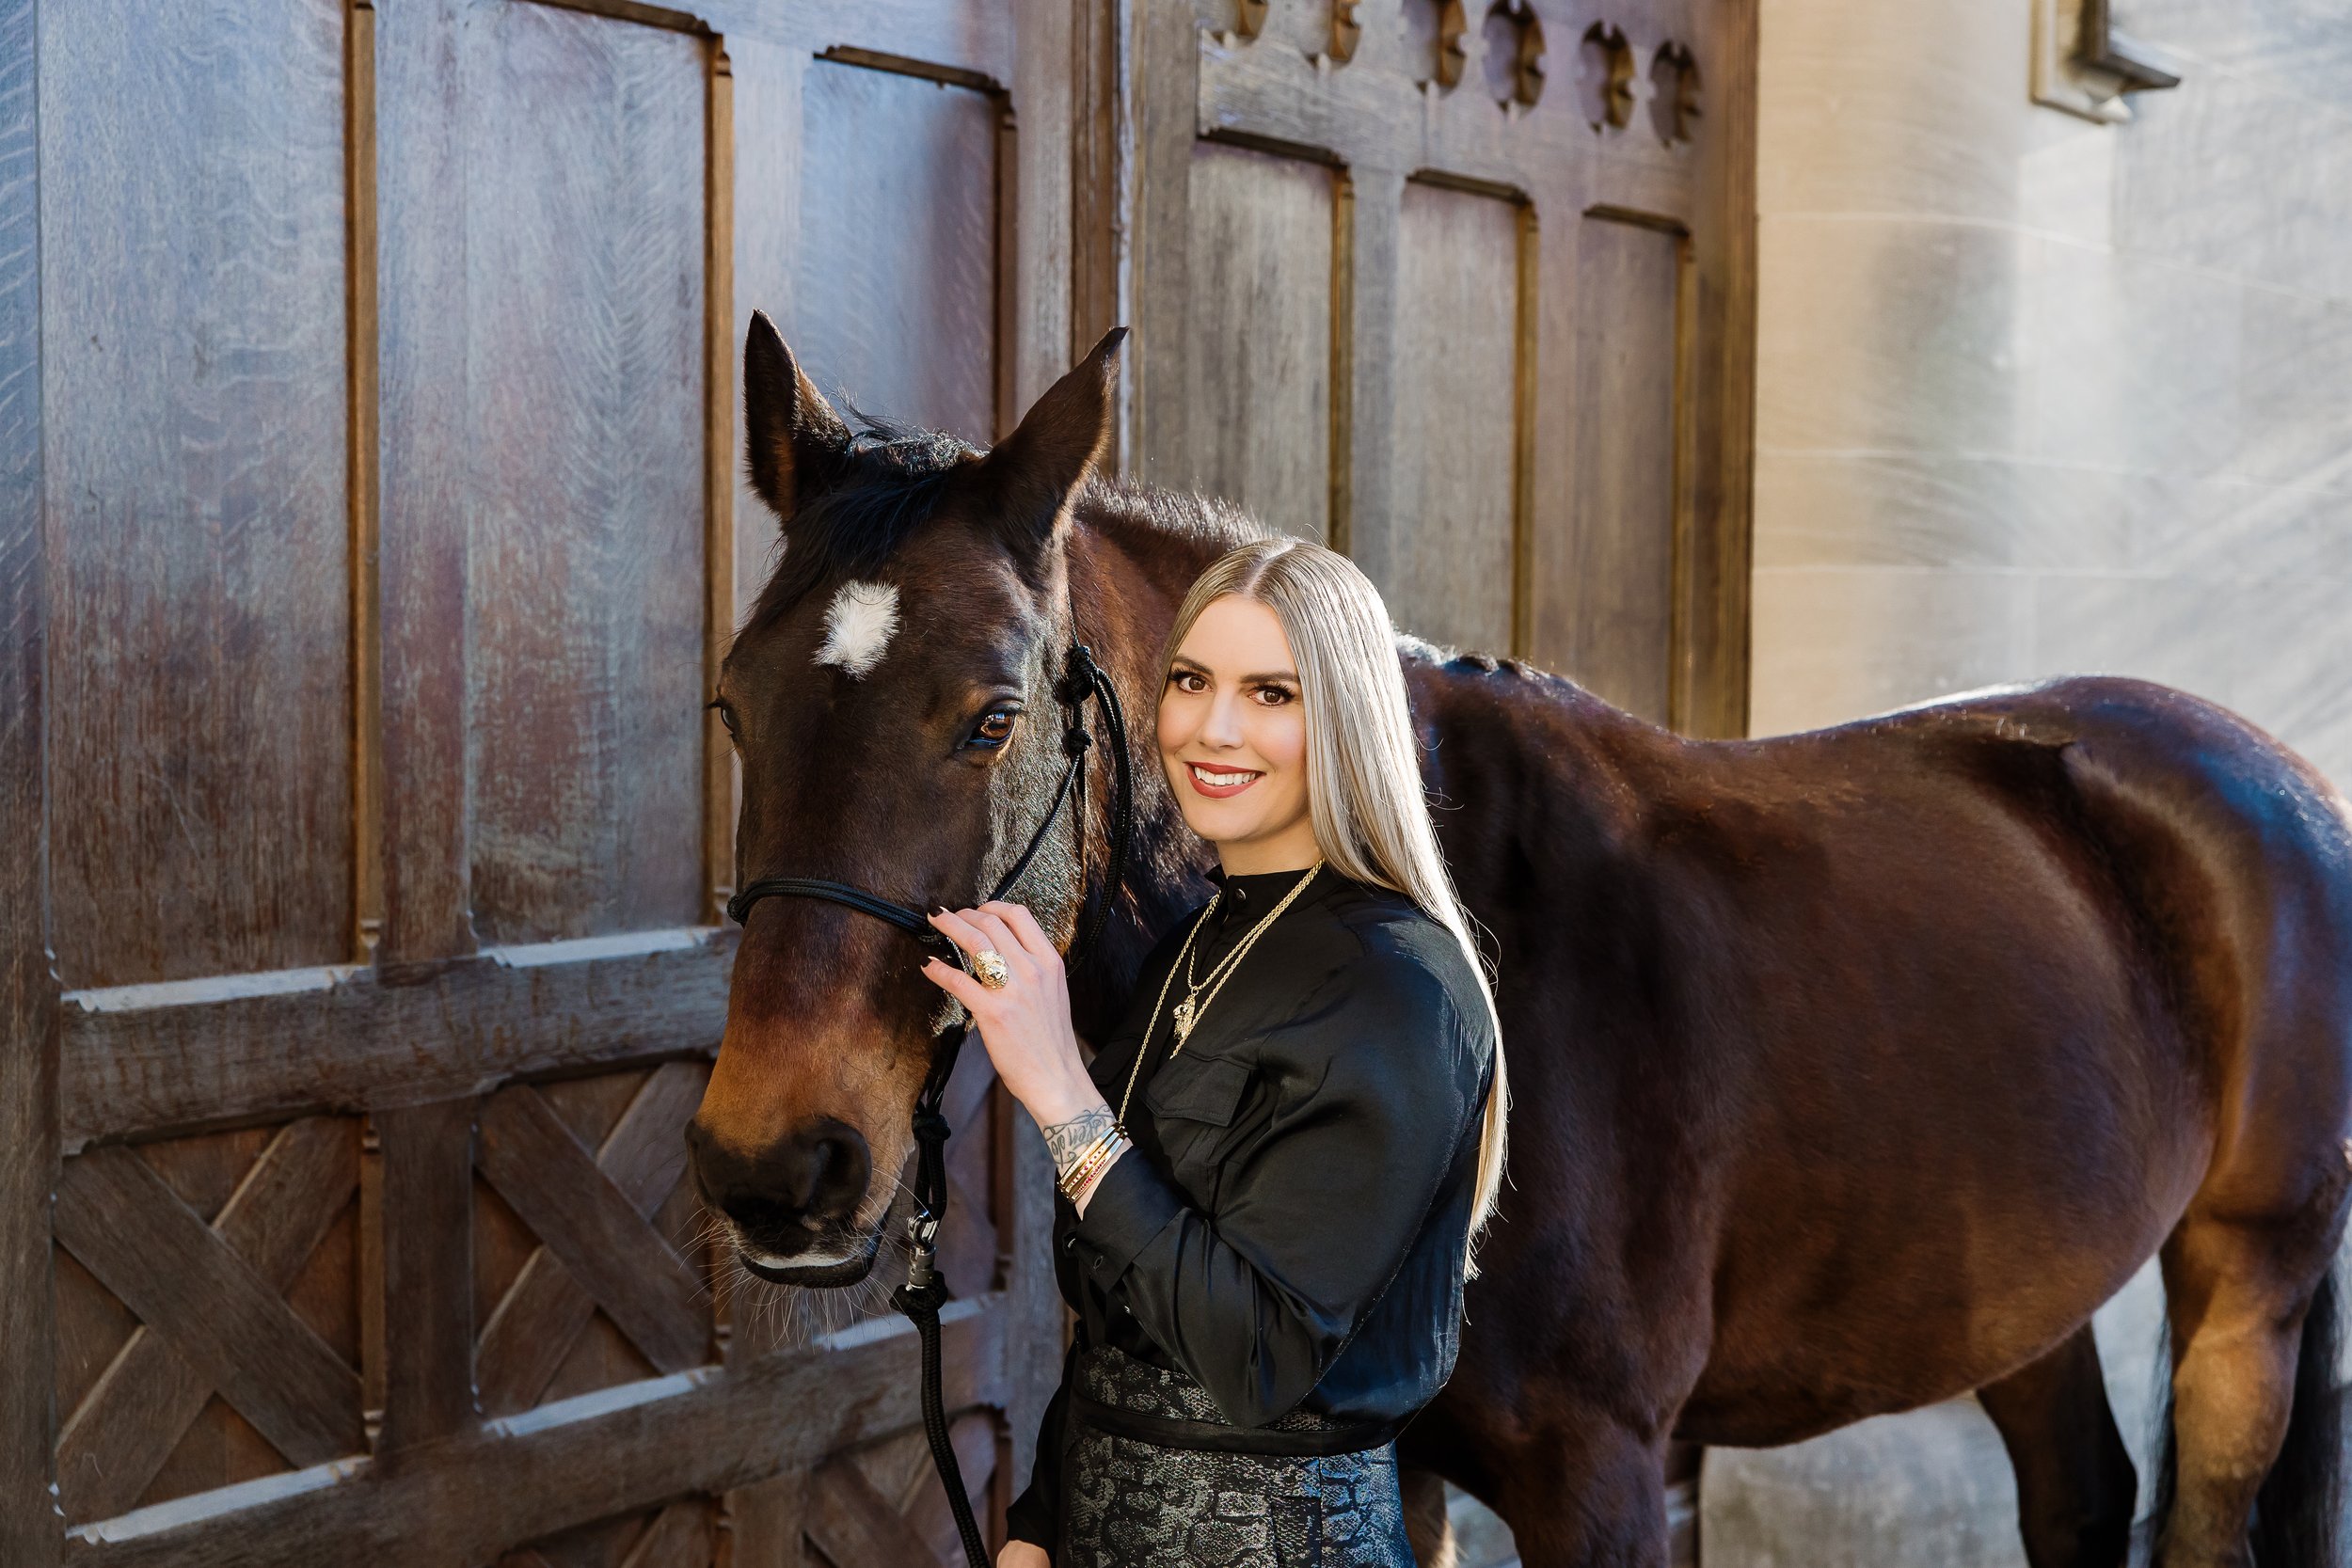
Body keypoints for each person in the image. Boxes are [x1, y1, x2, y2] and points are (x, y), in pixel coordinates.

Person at [919, 537, 1509, 1567]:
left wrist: (1061, 1090)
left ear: (1346, 717)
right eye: (1191, 680)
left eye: (1270, 692)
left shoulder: (1397, 986)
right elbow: (1121, 1327)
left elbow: (1255, 1353)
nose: (1212, 726)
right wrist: (1038, 1526)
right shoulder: (1198, 941)